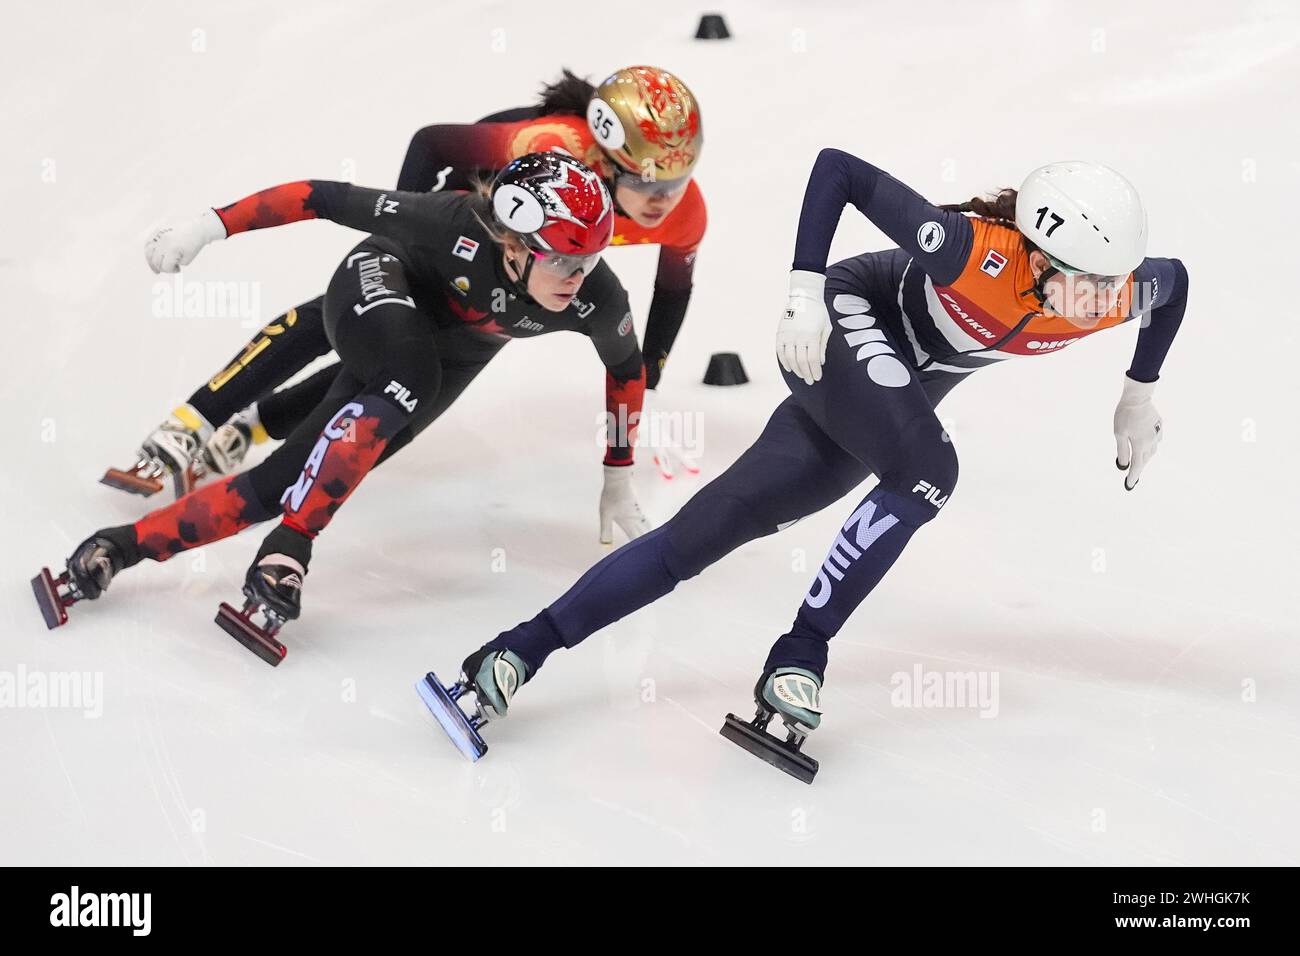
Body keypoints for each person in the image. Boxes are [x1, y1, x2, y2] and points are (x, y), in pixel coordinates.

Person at [416, 149, 1190, 780]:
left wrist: (1137, 395)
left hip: (879, 404)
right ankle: (803, 657)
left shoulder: (1119, 291)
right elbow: (837, 171)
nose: (1102, 303)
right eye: (1087, 283)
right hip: (834, 335)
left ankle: (513, 653)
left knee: (703, 535)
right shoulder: (972, 252)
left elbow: (1175, 282)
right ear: (1038, 254)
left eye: (1114, 284)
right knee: (930, 470)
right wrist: (803, 293)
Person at [33, 153, 651, 662]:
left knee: (291, 480)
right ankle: (291, 548)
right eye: (564, 259)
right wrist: (209, 226)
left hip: (447, 357)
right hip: (378, 282)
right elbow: (322, 195)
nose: (578, 275)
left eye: (591, 257)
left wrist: (617, 474)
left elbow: (628, 369)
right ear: (513, 244)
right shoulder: (450, 222)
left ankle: (118, 547)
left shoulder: (595, 297)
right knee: (407, 374)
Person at [106, 66, 707, 498]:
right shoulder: (547, 143)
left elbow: (673, 288)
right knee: (336, 321)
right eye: (648, 186)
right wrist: (399, 233)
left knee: (391, 388)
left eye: (675, 186)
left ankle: (255, 429)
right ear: (604, 161)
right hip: (455, 236)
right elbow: (431, 142)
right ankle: (190, 426)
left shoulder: (684, 210)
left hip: (513, 287)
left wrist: (648, 369)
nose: (663, 204)